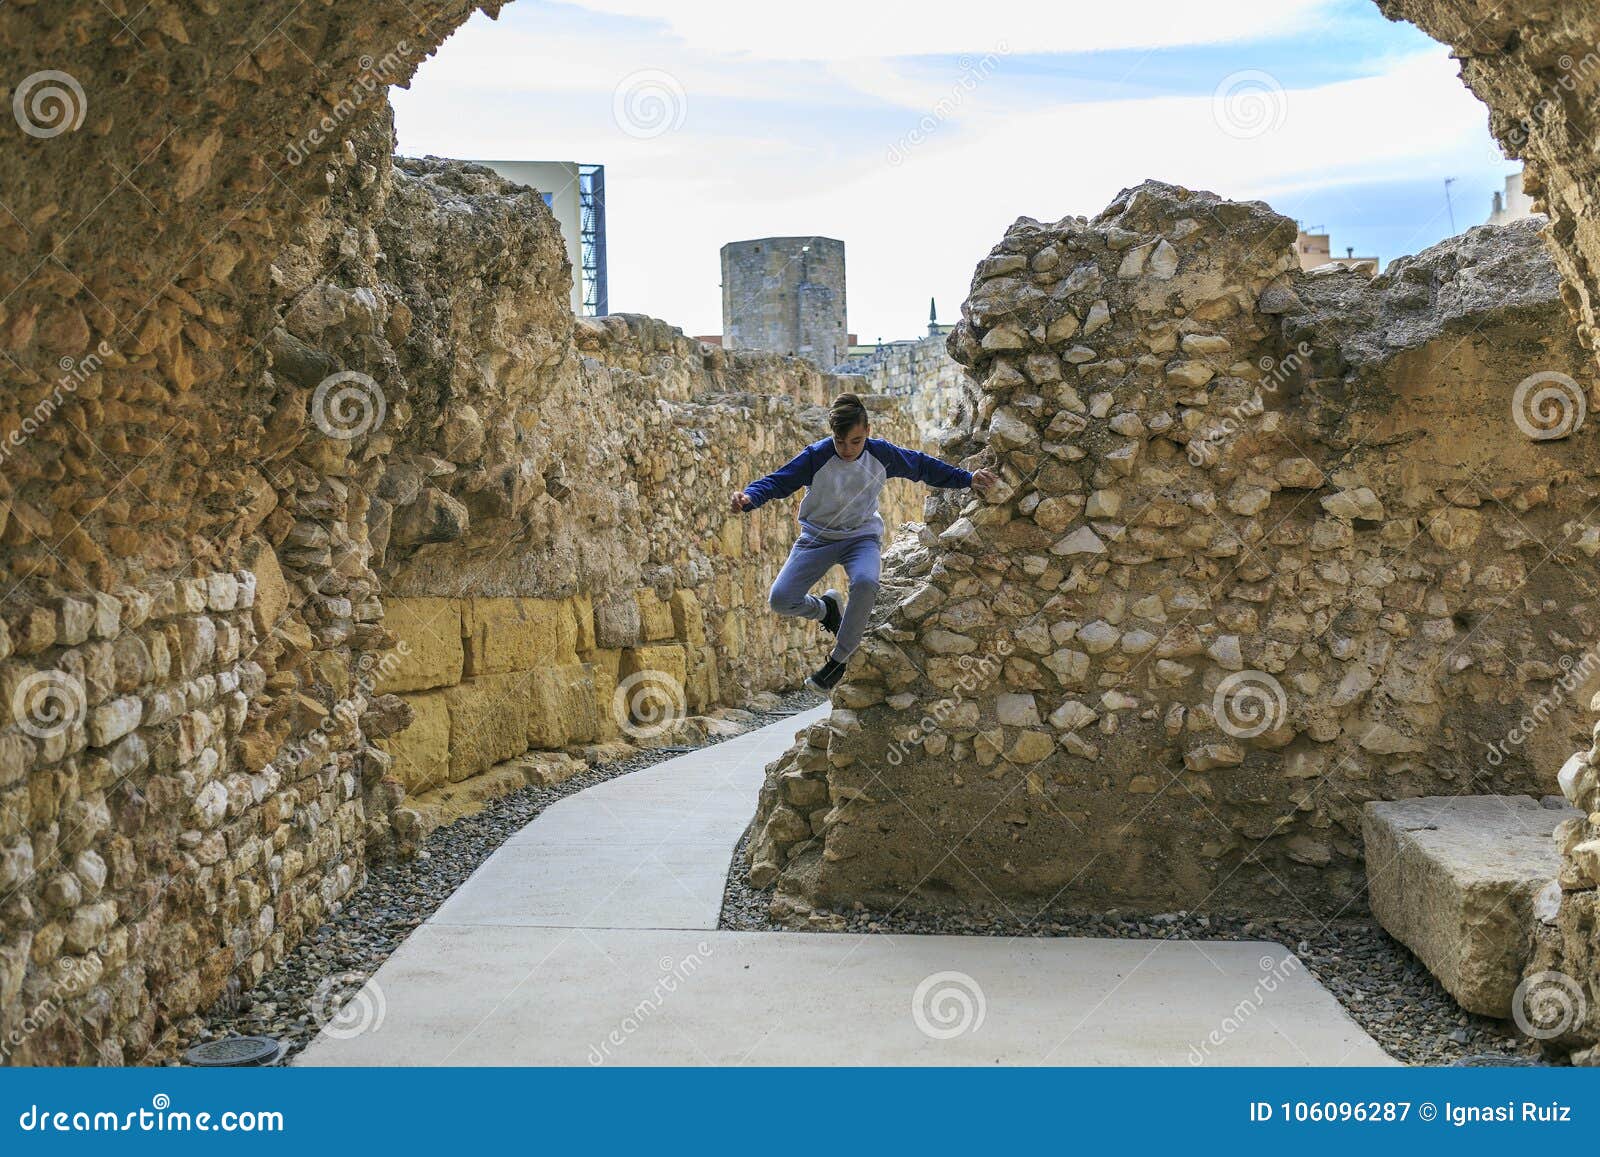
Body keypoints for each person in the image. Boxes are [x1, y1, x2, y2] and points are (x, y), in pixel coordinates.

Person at [729, 392, 999, 694]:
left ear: (867, 432)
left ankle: (838, 661)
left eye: (855, 441)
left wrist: (967, 478)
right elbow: (778, 481)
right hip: (817, 538)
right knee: (780, 599)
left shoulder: (881, 454)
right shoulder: (816, 456)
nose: (847, 449)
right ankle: (826, 610)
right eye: (840, 441)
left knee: (866, 582)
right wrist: (750, 497)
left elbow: (923, 467)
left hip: (861, 537)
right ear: (832, 435)